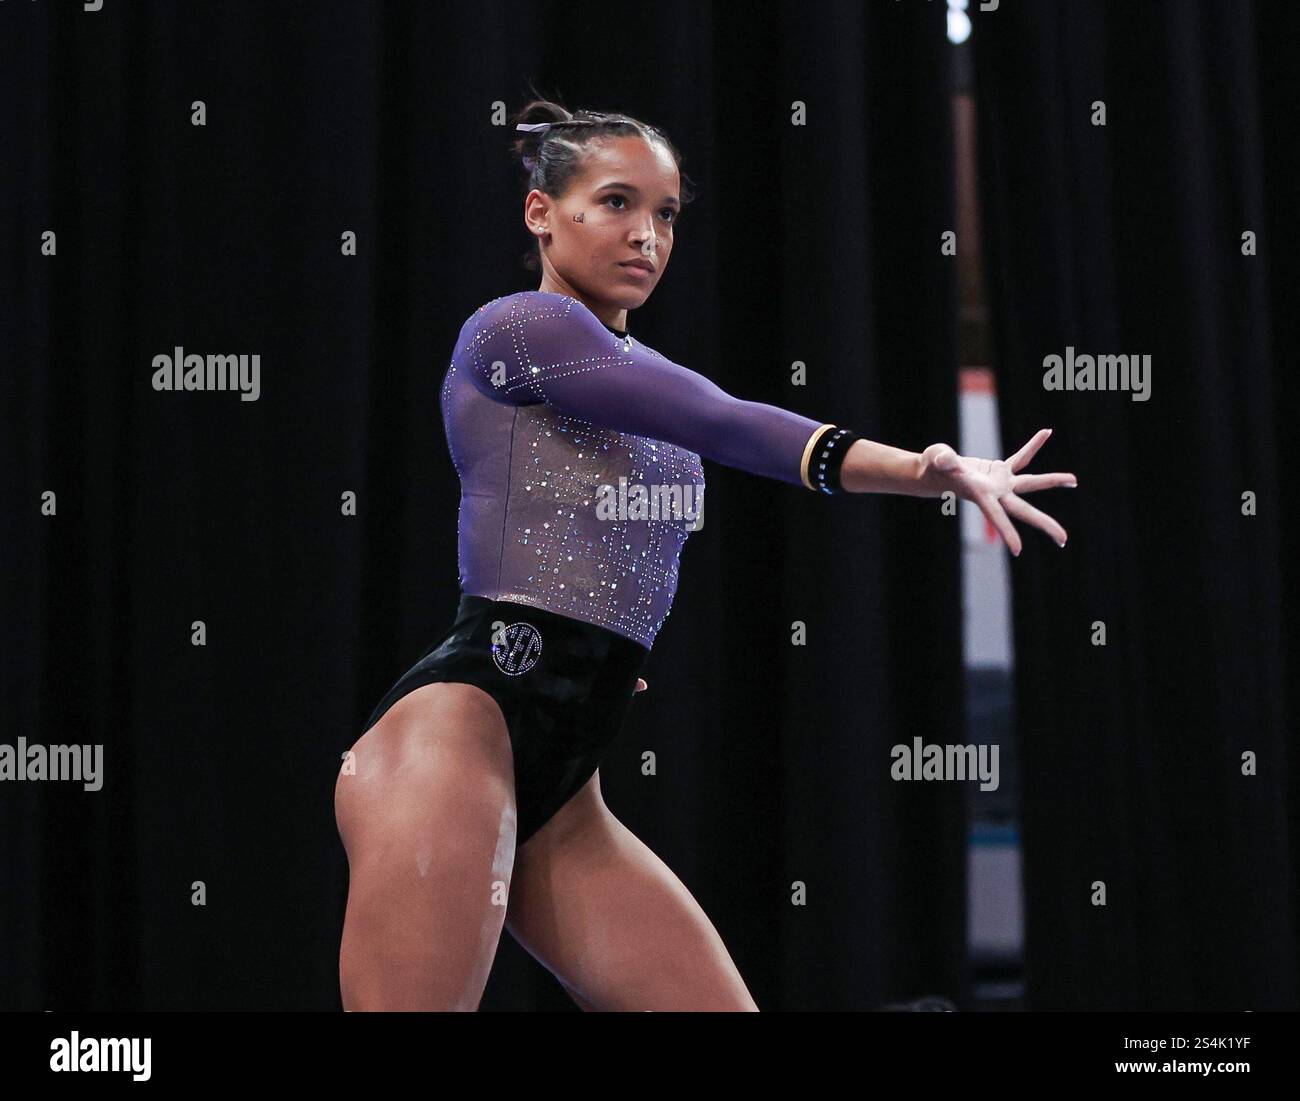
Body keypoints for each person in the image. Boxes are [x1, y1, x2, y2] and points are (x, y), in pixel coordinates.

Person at [333, 99, 1077, 1012]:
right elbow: (723, 421)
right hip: (459, 734)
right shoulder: (518, 328)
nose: (646, 234)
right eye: (615, 203)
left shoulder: (625, 373)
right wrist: (927, 468)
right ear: (541, 214)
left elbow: (604, 547)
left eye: (667, 213)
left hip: (568, 786)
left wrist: (601, 656)